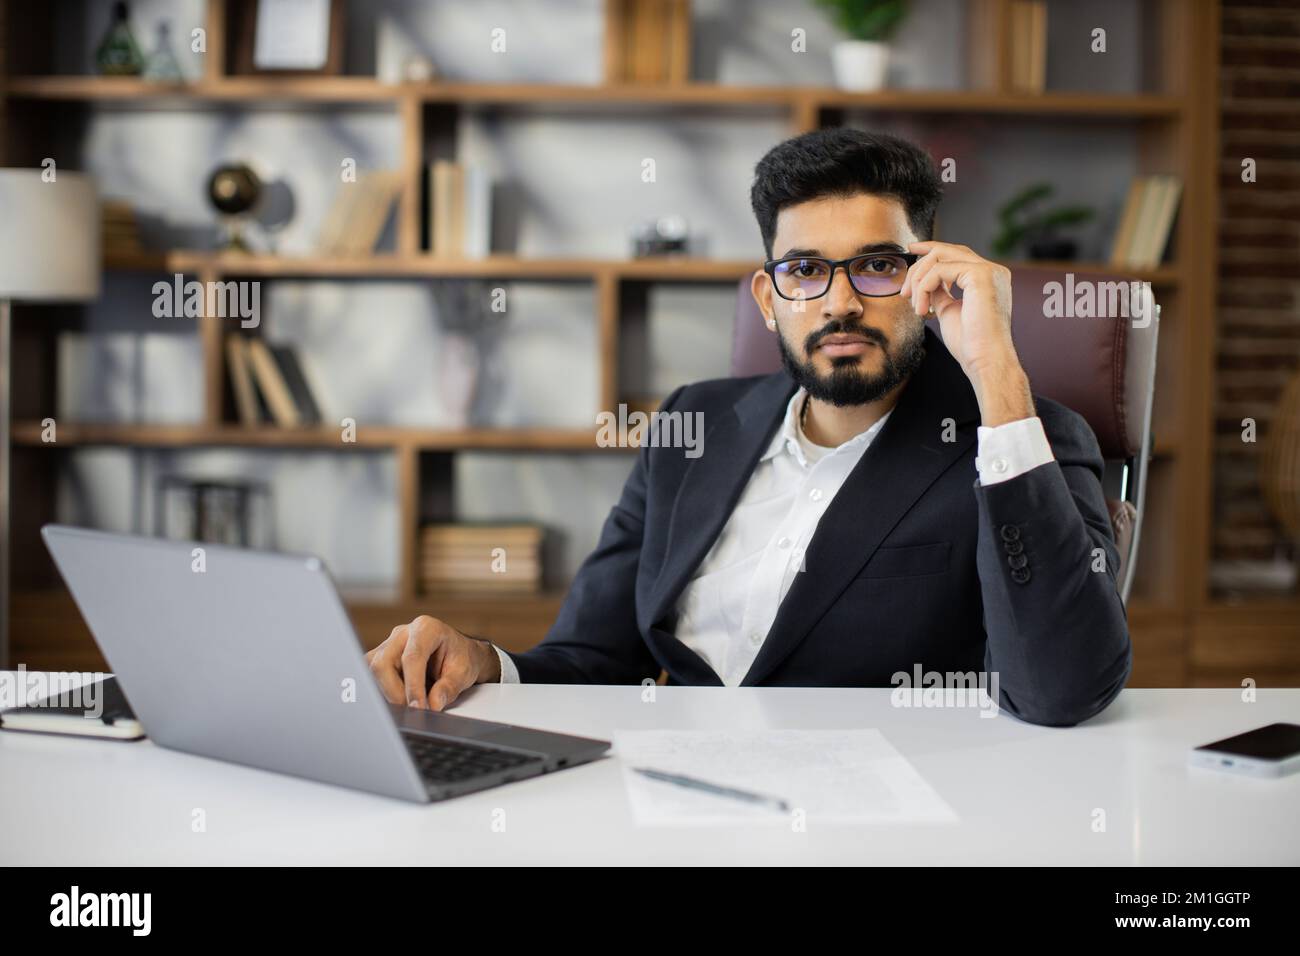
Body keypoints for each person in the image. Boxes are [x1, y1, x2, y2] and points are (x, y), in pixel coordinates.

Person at [366, 128, 1131, 727]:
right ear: (769, 300)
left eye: (877, 266)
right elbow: (597, 659)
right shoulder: (694, 423)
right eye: (805, 271)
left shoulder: (1023, 436)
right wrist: (484, 664)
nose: (838, 304)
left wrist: (996, 372)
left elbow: (1060, 689)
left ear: (927, 280)